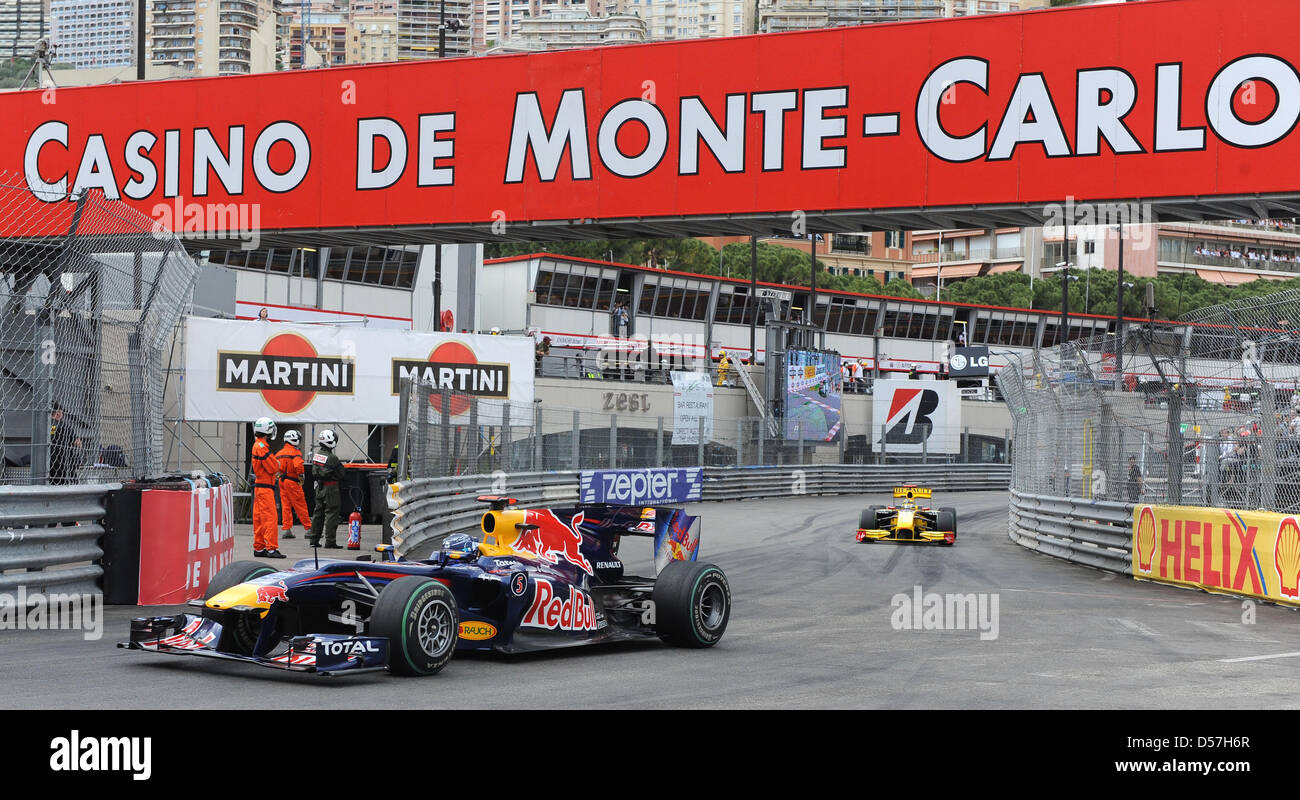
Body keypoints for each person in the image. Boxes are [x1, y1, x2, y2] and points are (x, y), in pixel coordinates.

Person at [250, 417, 285, 558]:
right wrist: (278, 465)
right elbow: (273, 467)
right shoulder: (262, 447)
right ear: (268, 431)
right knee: (270, 518)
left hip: (259, 487)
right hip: (265, 488)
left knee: (259, 519)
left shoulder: (257, 445)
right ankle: (271, 549)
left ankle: (259, 548)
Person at [309, 429, 345, 549]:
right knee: (332, 514)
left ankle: (314, 540)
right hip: (331, 488)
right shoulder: (332, 458)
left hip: (319, 487)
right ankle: (330, 541)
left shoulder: (316, 455)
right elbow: (341, 474)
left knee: (318, 513)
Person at [275, 430, 310, 541]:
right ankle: (309, 529)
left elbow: (276, 468)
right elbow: (298, 466)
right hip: (292, 481)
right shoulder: (295, 452)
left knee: (286, 505)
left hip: (282, 481)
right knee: (300, 504)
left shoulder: (279, 453)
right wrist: (301, 477)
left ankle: (287, 530)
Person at [48, 404, 82, 485]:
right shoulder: (63, 425)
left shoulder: (46, 424)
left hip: (48, 462)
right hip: (63, 463)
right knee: (69, 484)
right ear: (58, 413)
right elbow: (77, 443)